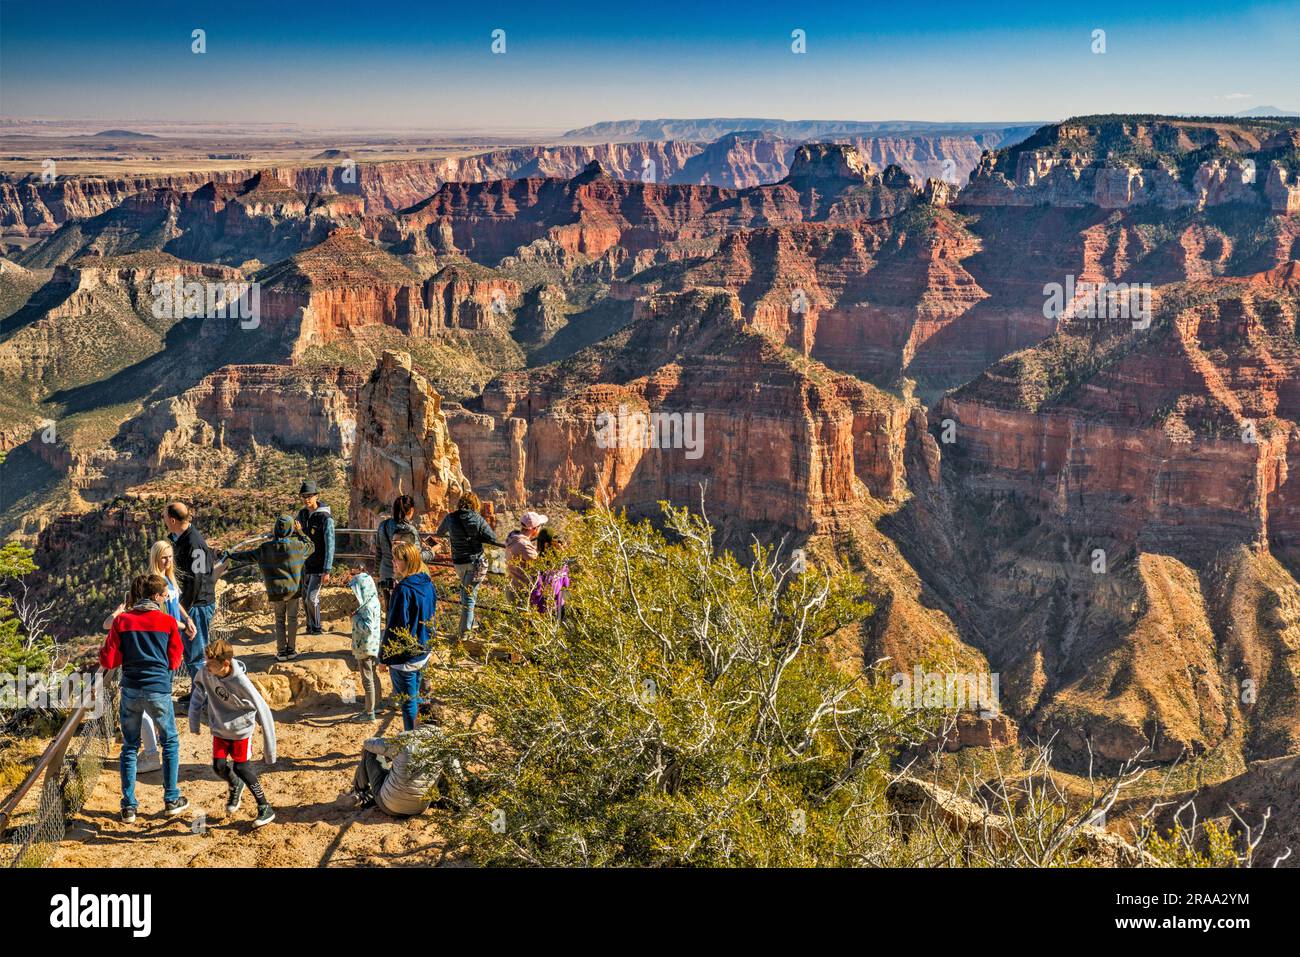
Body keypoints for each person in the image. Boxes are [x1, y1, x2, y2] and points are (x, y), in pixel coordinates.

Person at [99, 573, 188, 823]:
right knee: (169, 742)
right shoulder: (168, 622)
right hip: (158, 688)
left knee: (129, 746)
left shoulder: (123, 621)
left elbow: (109, 660)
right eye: (164, 594)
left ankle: (129, 806)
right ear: (157, 596)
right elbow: (175, 660)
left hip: (130, 688)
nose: (166, 598)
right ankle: (171, 798)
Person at [188, 638, 277, 828]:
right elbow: (197, 693)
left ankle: (265, 806)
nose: (206, 667)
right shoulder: (206, 673)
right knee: (219, 766)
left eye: (210, 664)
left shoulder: (240, 681)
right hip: (220, 729)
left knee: (241, 768)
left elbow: (262, 708)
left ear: (225, 664)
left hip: (240, 730)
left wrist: (270, 751)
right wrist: (193, 722)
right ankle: (235, 784)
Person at [217, 515, 313, 661]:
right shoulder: (297, 546)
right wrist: (300, 532)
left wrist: (230, 555)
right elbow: (311, 546)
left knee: (279, 619)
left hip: (276, 591)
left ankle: (281, 652)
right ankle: (291, 650)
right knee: (292, 619)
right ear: (291, 530)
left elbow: (245, 556)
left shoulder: (265, 549)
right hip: (293, 590)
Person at [380, 541, 435, 731]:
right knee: (417, 694)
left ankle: (412, 742)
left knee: (408, 703)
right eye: (393, 558)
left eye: (398, 560)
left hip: (405, 658)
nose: (393, 563)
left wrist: (384, 657)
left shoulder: (403, 590)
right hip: (423, 650)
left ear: (409, 561)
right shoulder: (427, 581)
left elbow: (395, 627)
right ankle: (424, 732)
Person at [435, 491, 503, 640]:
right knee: (470, 597)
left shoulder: (450, 518)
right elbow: (492, 538)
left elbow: (439, 533)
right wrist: (475, 536)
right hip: (475, 563)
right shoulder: (477, 519)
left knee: (467, 595)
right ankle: (465, 633)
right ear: (475, 504)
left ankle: (467, 628)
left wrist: (455, 535)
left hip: (458, 563)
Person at [164, 502, 216, 690]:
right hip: (194, 604)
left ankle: (202, 698)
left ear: (172, 519)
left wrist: (184, 610)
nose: (163, 520)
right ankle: (198, 691)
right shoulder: (182, 538)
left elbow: (197, 579)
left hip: (197, 605)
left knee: (197, 654)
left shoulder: (194, 543)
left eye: (164, 517)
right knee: (191, 652)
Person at [352, 725, 439, 817]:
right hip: (420, 808)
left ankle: (360, 794)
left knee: (370, 752)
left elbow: (369, 744)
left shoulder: (405, 738)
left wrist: (388, 756)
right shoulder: (445, 745)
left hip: (389, 806)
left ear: (418, 717)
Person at [295, 480, 335, 636]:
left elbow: (330, 545)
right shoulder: (302, 514)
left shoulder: (325, 518)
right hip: (305, 564)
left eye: (309, 496)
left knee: (312, 598)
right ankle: (310, 627)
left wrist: (327, 569)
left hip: (319, 565)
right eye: (304, 496)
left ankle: (317, 628)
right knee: (305, 597)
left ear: (316, 496)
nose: (306, 499)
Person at [348, 569, 383, 722]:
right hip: (372, 646)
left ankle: (369, 713)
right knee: (373, 675)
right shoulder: (374, 601)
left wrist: (355, 619)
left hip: (365, 647)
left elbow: (368, 627)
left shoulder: (367, 607)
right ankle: (377, 704)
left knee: (367, 679)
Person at [375, 495, 420, 608]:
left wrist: (377, 572)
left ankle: (389, 625)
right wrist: (432, 552)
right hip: (403, 576)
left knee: (389, 606)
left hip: (385, 573)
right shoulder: (410, 530)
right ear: (411, 510)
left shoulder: (383, 526)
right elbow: (416, 556)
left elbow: (378, 551)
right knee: (403, 609)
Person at [505, 511, 548, 603]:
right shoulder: (523, 545)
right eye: (540, 526)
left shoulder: (513, 538)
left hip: (513, 587)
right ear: (534, 529)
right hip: (521, 592)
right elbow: (541, 565)